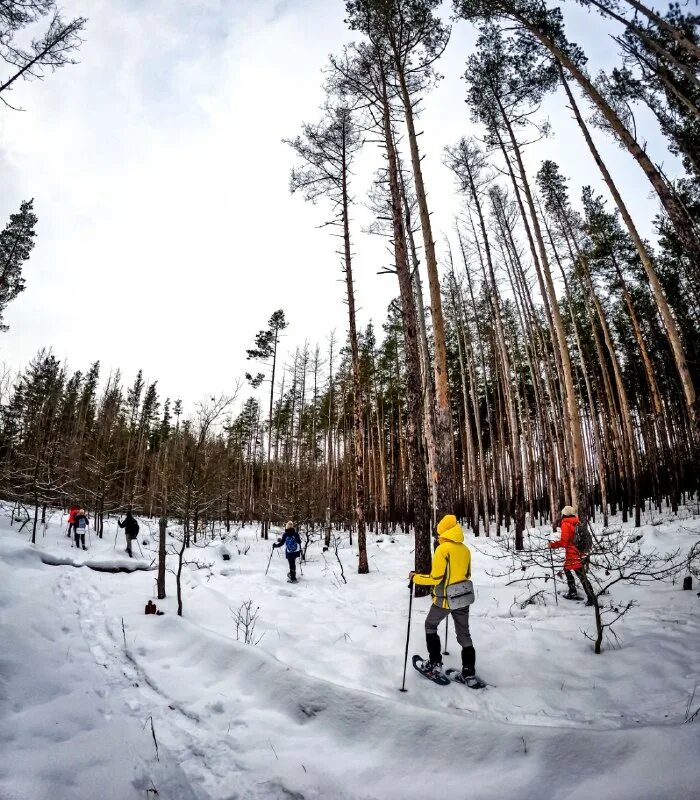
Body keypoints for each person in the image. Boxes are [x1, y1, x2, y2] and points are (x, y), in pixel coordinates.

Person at [410, 514, 479, 685]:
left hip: (445, 599)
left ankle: (434, 664)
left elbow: (435, 578)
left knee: (430, 625)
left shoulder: (443, 549)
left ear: (442, 531)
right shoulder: (465, 549)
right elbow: (467, 574)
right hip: (463, 597)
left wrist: (415, 578)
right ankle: (469, 673)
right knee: (464, 635)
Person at [549, 505, 596, 604]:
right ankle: (574, 592)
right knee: (569, 570)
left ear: (565, 514)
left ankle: (590, 597)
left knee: (580, 575)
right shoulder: (576, 521)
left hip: (573, 553)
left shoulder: (566, 524)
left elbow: (564, 542)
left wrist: (552, 545)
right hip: (580, 551)